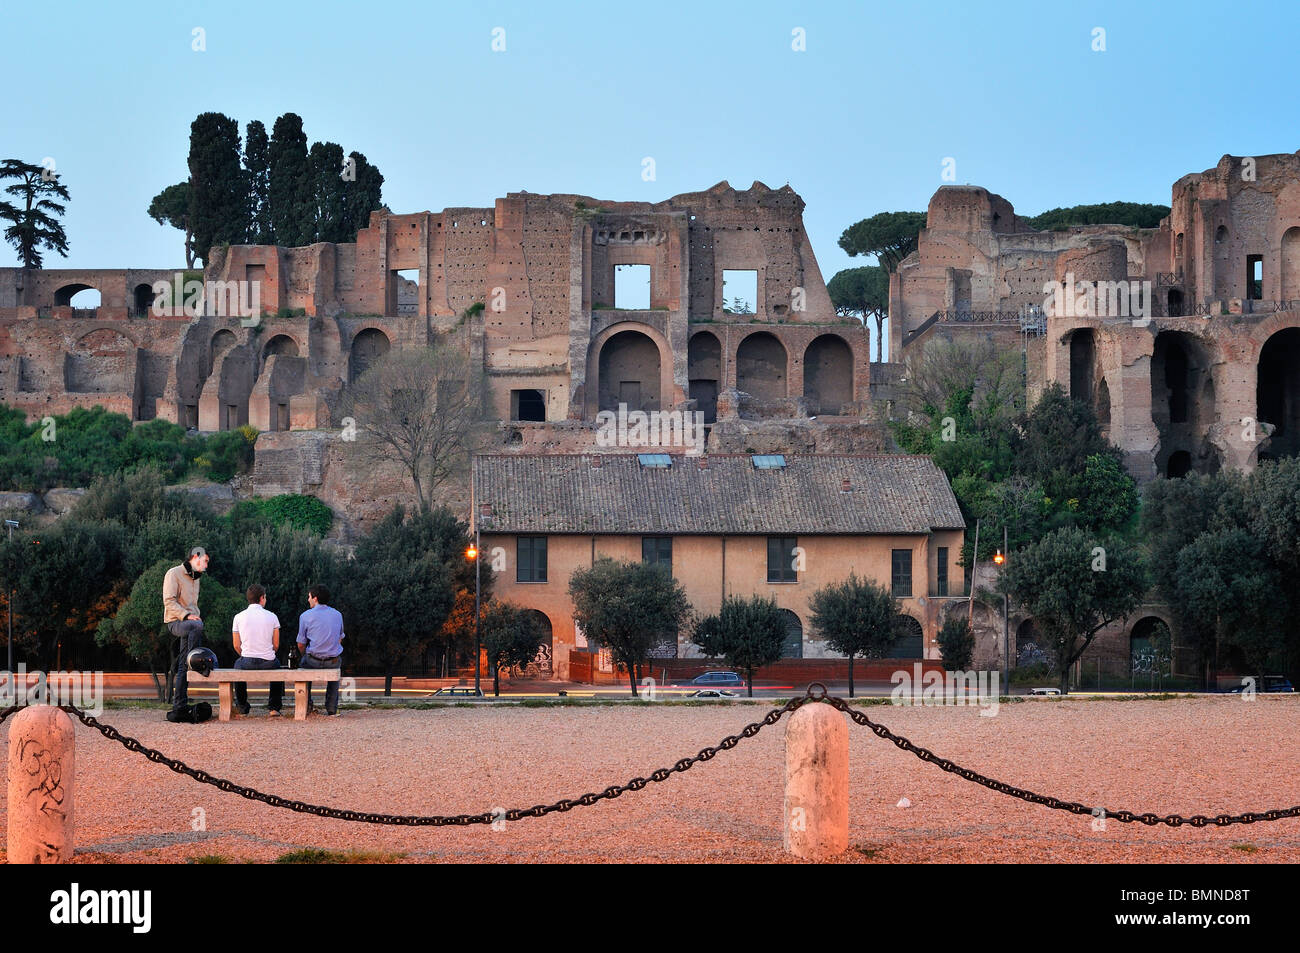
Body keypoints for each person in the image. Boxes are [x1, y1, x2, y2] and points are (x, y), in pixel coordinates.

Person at [163, 547, 209, 715]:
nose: (206, 565)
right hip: (176, 622)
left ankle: (179, 705)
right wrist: (187, 615)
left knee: (182, 666)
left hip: (190, 624)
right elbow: (168, 602)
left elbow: (194, 607)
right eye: (205, 561)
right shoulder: (173, 573)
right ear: (195, 557)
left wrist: (194, 616)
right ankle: (194, 662)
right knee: (197, 626)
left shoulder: (196, 579)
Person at [232, 584, 284, 716]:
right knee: (278, 667)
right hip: (269, 661)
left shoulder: (238, 617)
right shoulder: (272, 616)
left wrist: (245, 655)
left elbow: (236, 645)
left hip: (246, 661)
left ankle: (242, 707)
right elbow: (276, 644)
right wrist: (267, 653)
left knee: (237, 666)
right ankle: (274, 707)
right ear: (262, 598)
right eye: (265, 597)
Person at [297, 584, 345, 716]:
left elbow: (301, 644)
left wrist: (304, 655)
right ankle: (331, 708)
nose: (308, 600)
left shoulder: (305, 616)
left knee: (303, 666)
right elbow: (340, 638)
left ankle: (307, 704)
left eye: (309, 597)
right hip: (333, 660)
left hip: (313, 660)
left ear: (315, 598)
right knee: (335, 673)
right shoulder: (338, 614)